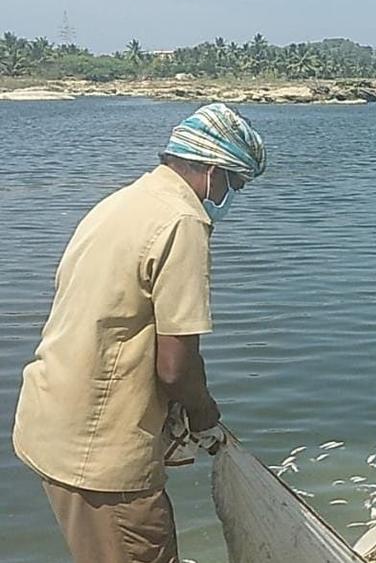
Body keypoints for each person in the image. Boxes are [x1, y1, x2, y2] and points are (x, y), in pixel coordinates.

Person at [12, 103, 266, 563]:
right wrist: (204, 412)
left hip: (50, 425)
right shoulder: (183, 221)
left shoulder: (125, 201)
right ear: (211, 169)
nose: (232, 196)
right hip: (102, 451)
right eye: (236, 183)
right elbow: (175, 366)